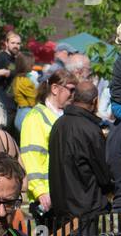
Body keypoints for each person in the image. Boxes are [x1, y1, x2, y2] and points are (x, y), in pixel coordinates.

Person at [47, 81, 114, 228]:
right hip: (86, 210)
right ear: (95, 101)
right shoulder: (90, 129)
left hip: (63, 208)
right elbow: (104, 174)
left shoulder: (58, 125)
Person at [20, 69, 78, 215]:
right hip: (46, 198)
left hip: (65, 195)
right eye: (70, 90)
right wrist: (40, 191)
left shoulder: (65, 115)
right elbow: (31, 157)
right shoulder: (35, 117)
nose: (73, 95)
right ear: (54, 89)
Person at [0, 30, 23, 131]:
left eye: (18, 43)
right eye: (13, 43)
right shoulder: (1, 57)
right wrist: (2, 72)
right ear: (6, 44)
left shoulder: (14, 59)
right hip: (1, 106)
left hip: (11, 105)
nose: (16, 46)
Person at [11, 51, 36, 131]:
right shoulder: (25, 81)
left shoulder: (17, 78)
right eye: (31, 64)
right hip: (26, 113)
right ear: (26, 64)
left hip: (20, 112)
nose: (33, 65)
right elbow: (33, 100)